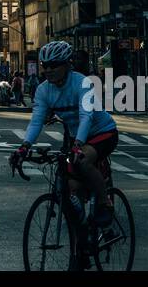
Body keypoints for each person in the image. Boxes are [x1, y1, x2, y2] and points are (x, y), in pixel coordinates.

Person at [11, 40, 119, 228]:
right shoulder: (43, 90)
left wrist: (77, 145)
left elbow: (86, 116)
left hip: (102, 132)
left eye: (54, 65)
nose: (48, 70)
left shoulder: (82, 83)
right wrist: (24, 147)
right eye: (45, 65)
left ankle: (105, 203)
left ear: (67, 64)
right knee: (71, 186)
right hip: (77, 137)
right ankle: (81, 241)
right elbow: (36, 121)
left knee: (83, 160)